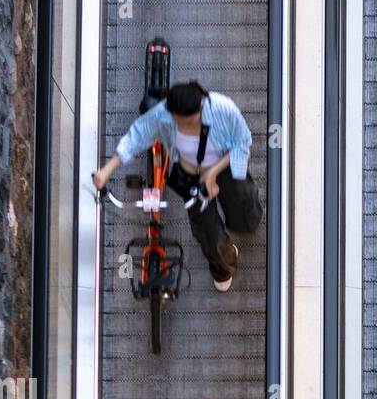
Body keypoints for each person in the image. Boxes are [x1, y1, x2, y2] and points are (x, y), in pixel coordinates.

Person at [93, 81, 262, 293]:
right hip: (190, 178)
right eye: (180, 123)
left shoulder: (223, 108)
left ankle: (245, 222)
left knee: (242, 205)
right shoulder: (162, 114)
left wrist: (213, 173)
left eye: (192, 122)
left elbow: (242, 142)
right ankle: (224, 265)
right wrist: (107, 170)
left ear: (201, 106)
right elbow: (136, 136)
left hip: (224, 166)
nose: (186, 128)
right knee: (208, 233)